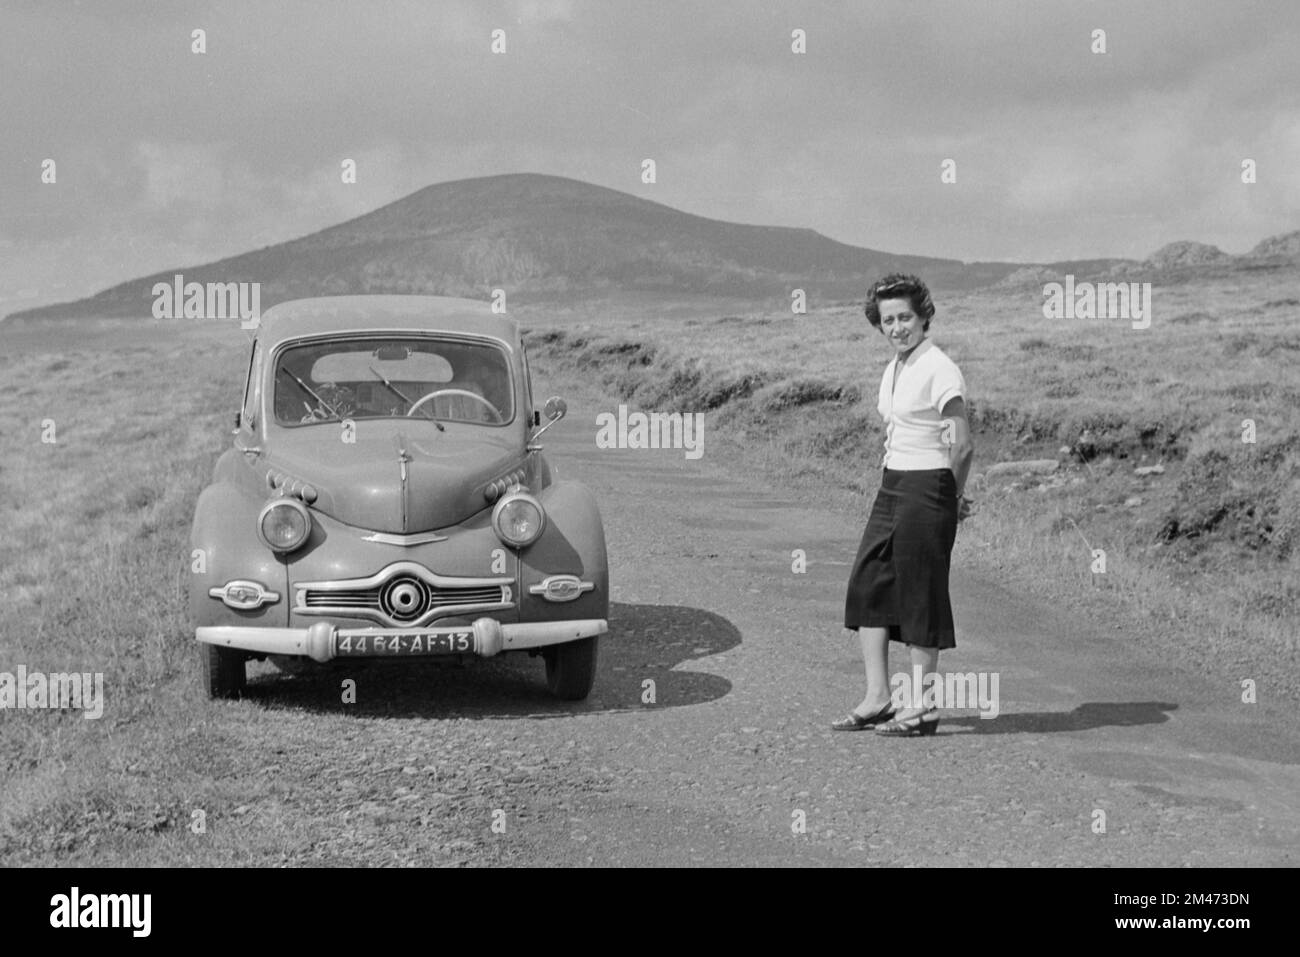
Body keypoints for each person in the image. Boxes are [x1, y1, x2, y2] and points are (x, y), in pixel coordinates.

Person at [832, 274, 975, 737]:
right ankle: (878, 698)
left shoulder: (940, 367)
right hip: (893, 485)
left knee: (919, 595)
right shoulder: (895, 367)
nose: (897, 327)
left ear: (923, 316)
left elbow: (962, 444)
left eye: (905, 317)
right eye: (888, 319)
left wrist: (949, 496)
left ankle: (922, 708)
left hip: (927, 487)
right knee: (869, 585)